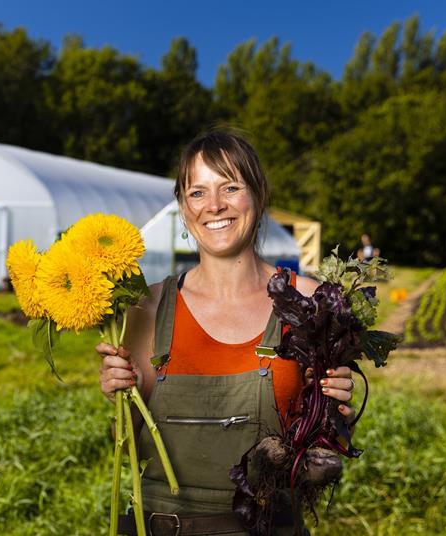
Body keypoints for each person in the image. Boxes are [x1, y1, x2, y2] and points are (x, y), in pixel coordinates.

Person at [98, 129, 356, 535]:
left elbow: (326, 445)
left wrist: (338, 411)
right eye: (197, 193)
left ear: (257, 195)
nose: (214, 205)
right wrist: (117, 394)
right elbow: (125, 440)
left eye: (230, 187)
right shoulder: (148, 307)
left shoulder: (310, 303)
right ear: (183, 208)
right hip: (162, 525)